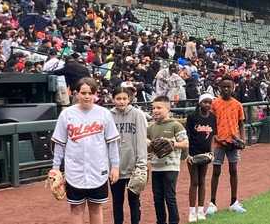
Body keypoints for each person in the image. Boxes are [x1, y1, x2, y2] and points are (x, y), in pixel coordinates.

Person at [50, 77, 120, 224]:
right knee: (76, 209)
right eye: (83, 93)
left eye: (90, 93)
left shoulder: (104, 114)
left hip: (98, 169)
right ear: (76, 94)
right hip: (74, 170)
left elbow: (112, 143)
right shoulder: (67, 114)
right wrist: (55, 168)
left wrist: (115, 166)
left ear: (95, 94)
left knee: (96, 208)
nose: (87, 96)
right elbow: (60, 144)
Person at [206, 79, 246, 215]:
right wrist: (215, 136)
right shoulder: (214, 104)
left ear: (233, 88)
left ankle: (234, 202)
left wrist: (242, 140)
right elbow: (210, 123)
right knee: (216, 171)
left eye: (229, 87)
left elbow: (241, 124)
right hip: (219, 142)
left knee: (233, 170)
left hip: (233, 142)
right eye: (224, 87)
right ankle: (212, 203)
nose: (226, 89)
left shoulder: (238, 105)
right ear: (219, 88)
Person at [147, 96, 187, 224]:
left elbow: (185, 143)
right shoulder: (151, 127)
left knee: (169, 197)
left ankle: (174, 221)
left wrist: (172, 143)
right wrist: (148, 144)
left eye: (159, 107)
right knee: (157, 198)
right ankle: (161, 221)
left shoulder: (175, 125)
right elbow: (148, 147)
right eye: (153, 108)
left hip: (171, 167)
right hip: (156, 166)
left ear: (168, 109)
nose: (155, 110)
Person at [110, 86, 147, 224]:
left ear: (129, 99)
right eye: (118, 98)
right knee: (117, 202)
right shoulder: (109, 115)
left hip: (133, 167)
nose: (121, 101)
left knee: (134, 201)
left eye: (124, 98)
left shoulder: (137, 114)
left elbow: (142, 140)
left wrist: (141, 164)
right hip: (115, 168)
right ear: (113, 99)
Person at [185, 94, 216, 223]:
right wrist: (187, 154)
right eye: (204, 102)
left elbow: (213, 136)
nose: (207, 105)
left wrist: (212, 152)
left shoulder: (213, 118)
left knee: (202, 180)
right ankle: (192, 211)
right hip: (193, 153)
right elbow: (186, 136)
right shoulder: (192, 117)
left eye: (209, 102)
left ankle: (200, 210)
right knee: (194, 181)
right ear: (200, 103)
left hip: (206, 153)